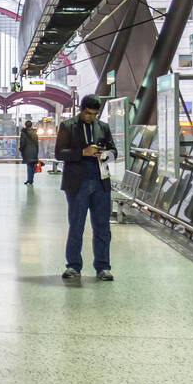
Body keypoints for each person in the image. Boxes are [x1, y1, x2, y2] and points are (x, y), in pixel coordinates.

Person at [55, 94, 118, 282]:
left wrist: (104, 154)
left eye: (95, 114)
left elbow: (114, 151)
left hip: (100, 182)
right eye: (88, 113)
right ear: (81, 109)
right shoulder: (68, 126)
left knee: (102, 227)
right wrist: (83, 152)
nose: (91, 117)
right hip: (77, 183)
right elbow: (59, 153)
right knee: (76, 225)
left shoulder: (103, 127)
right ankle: (73, 266)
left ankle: (103, 267)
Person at [19, 119, 39, 185]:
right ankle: (30, 179)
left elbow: (22, 143)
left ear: (25, 125)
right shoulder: (34, 132)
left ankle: (29, 180)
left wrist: (21, 149)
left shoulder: (23, 133)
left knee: (29, 166)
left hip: (27, 151)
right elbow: (37, 143)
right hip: (34, 150)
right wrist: (37, 151)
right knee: (32, 166)